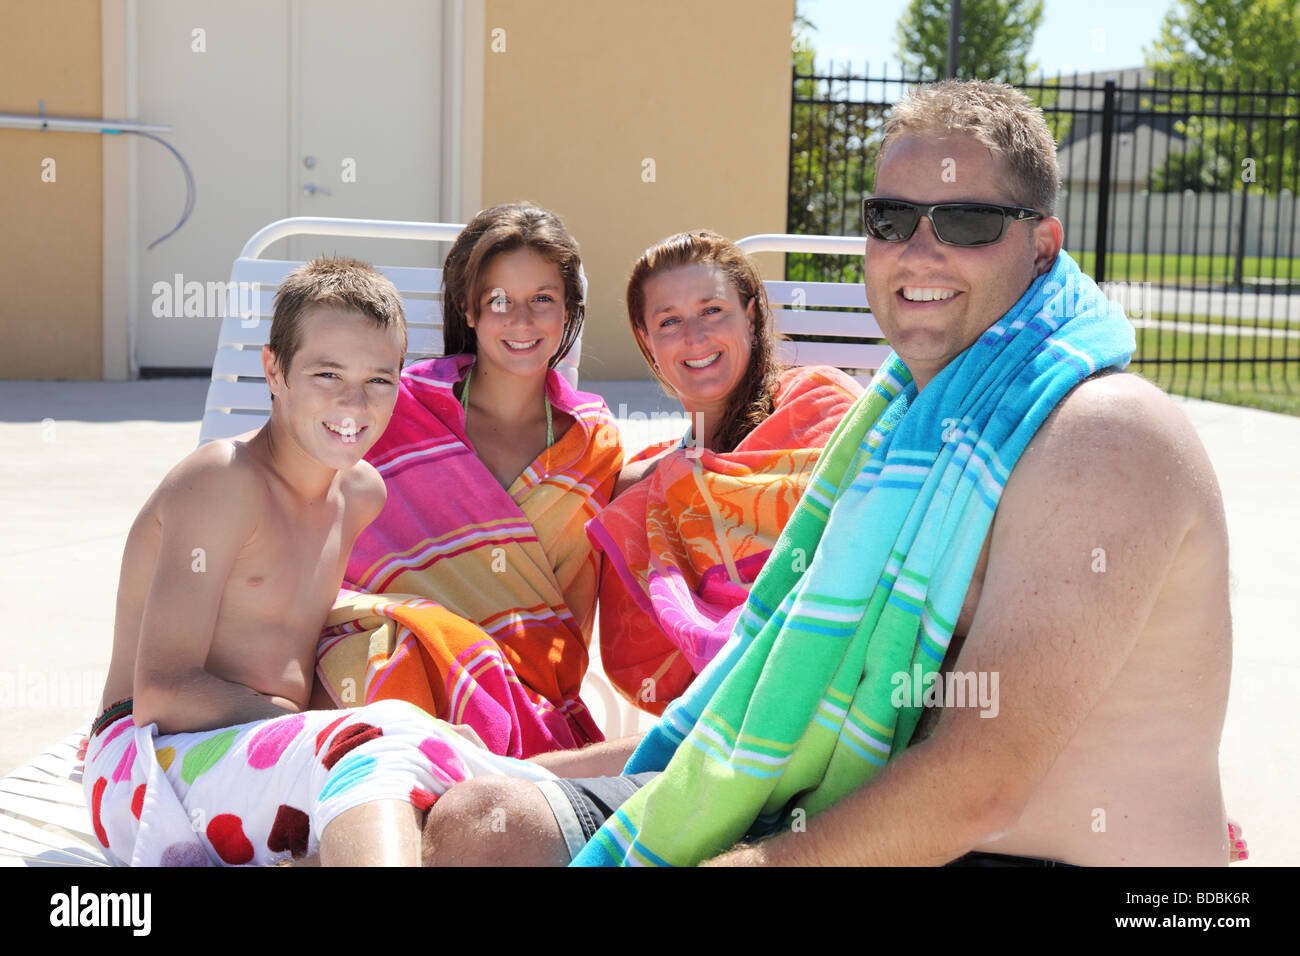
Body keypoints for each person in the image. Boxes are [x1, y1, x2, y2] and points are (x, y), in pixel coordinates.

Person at [421, 80, 1236, 867]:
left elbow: (980, 787)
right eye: (892, 219)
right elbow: (759, 713)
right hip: (856, 813)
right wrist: (502, 771)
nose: (921, 250)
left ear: (1042, 243)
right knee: (482, 825)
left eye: (967, 220)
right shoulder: (900, 434)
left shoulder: (1102, 436)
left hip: (1038, 857)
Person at [85, 257, 555, 867]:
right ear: (273, 370)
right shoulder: (222, 481)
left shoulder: (361, 495)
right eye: (326, 374)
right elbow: (162, 693)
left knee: (486, 780)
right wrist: (338, 720)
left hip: (268, 758)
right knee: (379, 745)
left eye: (379, 381)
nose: (353, 403)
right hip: (145, 764)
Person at [314, 203, 623, 758]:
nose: (522, 321)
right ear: (469, 309)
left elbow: (569, 621)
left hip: (522, 694)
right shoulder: (398, 409)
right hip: (387, 663)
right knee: (401, 657)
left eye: (543, 300)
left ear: (568, 309)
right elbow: (313, 527)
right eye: (499, 301)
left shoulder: (590, 443)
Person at [589, 230, 861, 713]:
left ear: (751, 317)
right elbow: (649, 668)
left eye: (712, 310)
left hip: (846, 689)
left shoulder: (821, 408)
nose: (695, 337)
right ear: (646, 341)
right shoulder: (642, 493)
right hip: (719, 724)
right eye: (669, 321)